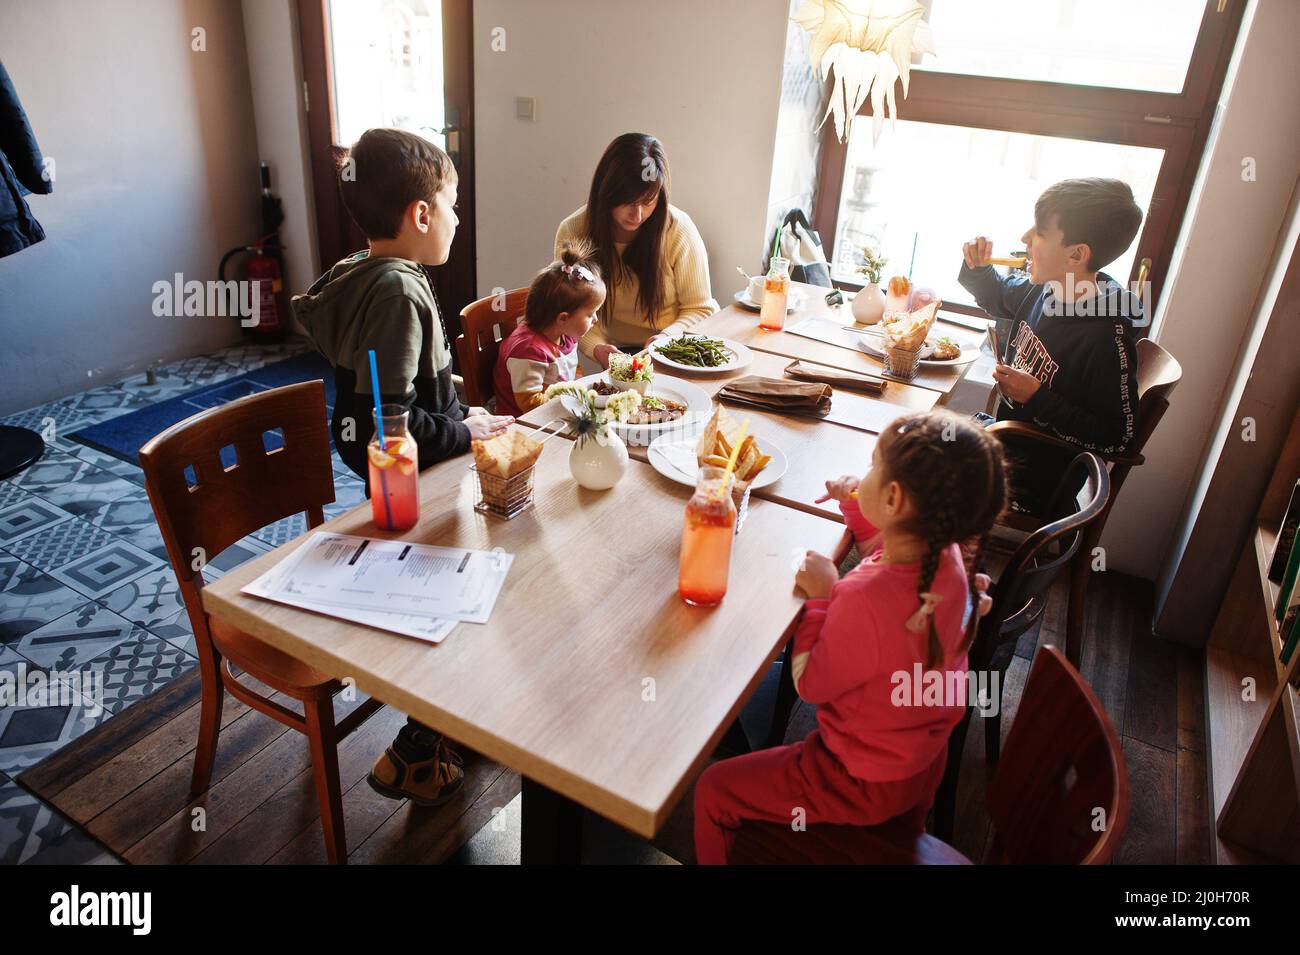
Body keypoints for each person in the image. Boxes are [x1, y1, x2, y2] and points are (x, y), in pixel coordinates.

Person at [293, 127, 512, 806]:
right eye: (451, 205)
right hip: (416, 485)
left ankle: (447, 722)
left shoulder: (370, 272)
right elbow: (383, 426)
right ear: (421, 214)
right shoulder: (395, 294)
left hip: (418, 477)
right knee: (451, 600)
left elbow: (369, 417)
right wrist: (464, 427)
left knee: (455, 592)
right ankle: (417, 746)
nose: (456, 218)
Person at [693, 410, 1008, 865]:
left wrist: (823, 596)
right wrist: (858, 508)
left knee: (714, 789)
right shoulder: (951, 559)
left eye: (874, 465)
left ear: (895, 498)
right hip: (919, 766)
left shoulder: (864, 598)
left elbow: (809, 683)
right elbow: (888, 550)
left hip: (854, 779)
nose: (867, 474)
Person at [959, 177, 1143, 513]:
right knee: (914, 434)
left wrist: (1037, 397)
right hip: (1004, 440)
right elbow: (999, 294)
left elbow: (1119, 439)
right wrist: (978, 270)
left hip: (1033, 478)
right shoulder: (1051, 287)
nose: (1025, 238)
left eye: (1040, 231)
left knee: (913, 458)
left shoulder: (1103, 335)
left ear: (1076, 254)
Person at [554, 132, 718, 369]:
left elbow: (701, 308)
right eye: (628, 202)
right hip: (611, 355)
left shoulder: (678, 229)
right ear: (607, 192)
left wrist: (667, 339)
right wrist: (598, 348)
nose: (638, 215)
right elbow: (569, 311)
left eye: (648, 201)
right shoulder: (574, 230)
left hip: (672, 354)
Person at [492, 243, 605, 418]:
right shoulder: (528, 351)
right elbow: (529, 403)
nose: (595, 320)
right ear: (562, 318)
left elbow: (571, 374)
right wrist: (574, 399)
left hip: (558, 413)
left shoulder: (565, 336)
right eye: (590, 314)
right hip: (526, 425)